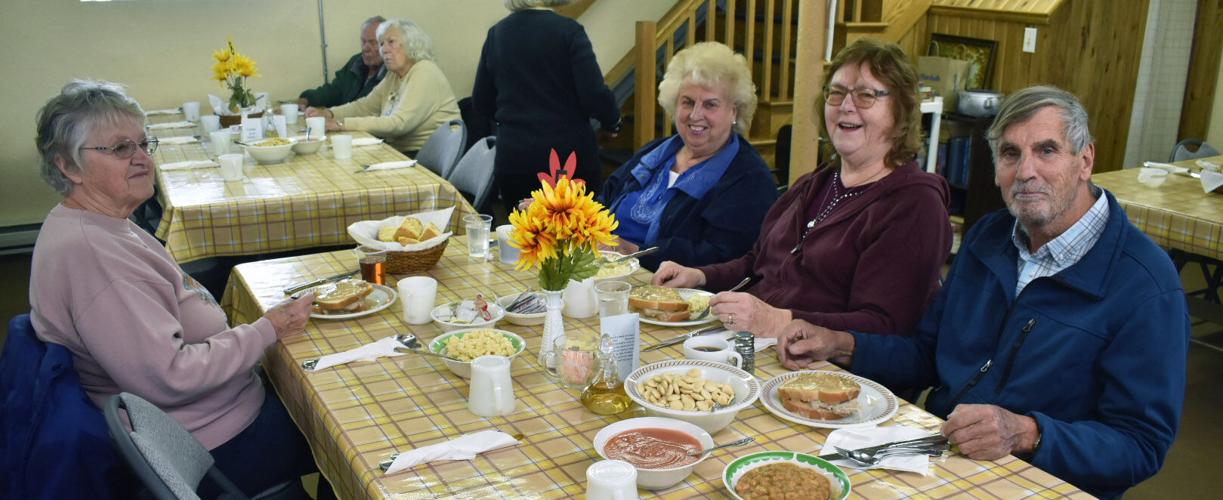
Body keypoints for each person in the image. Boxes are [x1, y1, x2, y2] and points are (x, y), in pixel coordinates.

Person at [775, 86, 1189, 498]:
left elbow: (1141, 445)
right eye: (1010, 154)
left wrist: (1028, 433)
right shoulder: (989, 237)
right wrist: (840, 344)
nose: (1025, 171)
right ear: (995, 168)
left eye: (1047, 151)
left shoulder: (1145, 284)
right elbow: (926, 355)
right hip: (942, 458)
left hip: (1041, 483)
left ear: (1085, 160)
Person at [29, 80, 325, 498]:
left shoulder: (100, 224)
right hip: (212, 442)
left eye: (143, 144)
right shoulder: (93, 255)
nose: (141, 158)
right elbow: (169, 376)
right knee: (357, 424)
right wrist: (265, 330)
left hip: (208, 416)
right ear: (68, 167)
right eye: (119, 148)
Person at [652, 38, 951, 338]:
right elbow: (758, 262)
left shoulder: (914, 205)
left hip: (828, 373)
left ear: (901, 111)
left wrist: (781, 321)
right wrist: (700, 276)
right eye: (836, 93)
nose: (846, 106)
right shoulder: (817, 181)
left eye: (865, 95)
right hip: (754, 343)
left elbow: (886, 327)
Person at [599, 41, 778, 270]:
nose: (695, 115)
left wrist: (633, 251)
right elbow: (605, 199)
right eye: (688, 102)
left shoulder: (749, 179)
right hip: (605, 269)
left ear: (734, 111)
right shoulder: (656, 152)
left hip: (669, 289)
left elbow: (724, 256)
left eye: (710, 105)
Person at [472, 0, 621, 206]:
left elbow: (481, 101)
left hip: (514, 155)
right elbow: (593, 93)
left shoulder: (496, 34)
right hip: (565, 158)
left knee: (522, 234)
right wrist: (612, 122)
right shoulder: (568, 31)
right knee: (572, 233)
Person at [306, 18, 460, 155]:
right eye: (381, 44)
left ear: (411, 43)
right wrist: (328, 113)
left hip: (429, 157)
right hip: (400, 152)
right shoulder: (394, 75)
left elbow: (398, 124)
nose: (384, 49)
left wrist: (341, 125)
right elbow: (365, 106)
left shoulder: (424, 71)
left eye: (391, 42)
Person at [298, 15, 387, 108]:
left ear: (385, 43)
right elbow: (335, 90)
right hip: (341, 119)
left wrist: (332, 115)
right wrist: (307, 99)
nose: (365, 48)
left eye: (373, 42)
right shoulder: (356, 62)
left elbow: (367, 110)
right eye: (363, 41)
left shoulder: (391, 72)